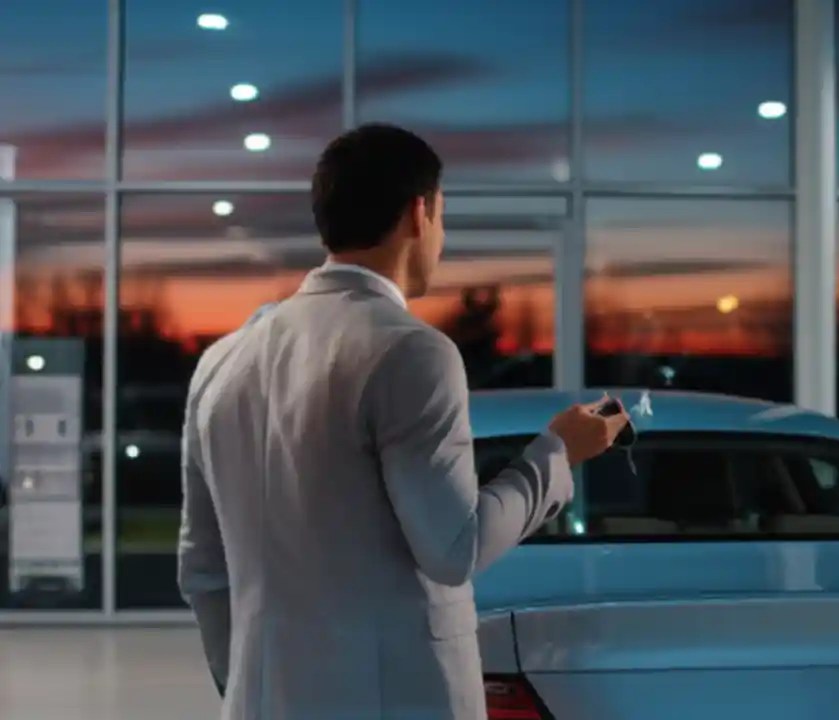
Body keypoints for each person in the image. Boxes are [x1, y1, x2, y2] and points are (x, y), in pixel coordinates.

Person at [177, 123, 629, 720]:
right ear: (420, 213)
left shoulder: (223, 360)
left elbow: (203, 571)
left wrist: (251, 686)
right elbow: (453, 548)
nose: (441, 236)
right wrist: (555, 455)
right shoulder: (411, 351)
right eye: (443, 217)